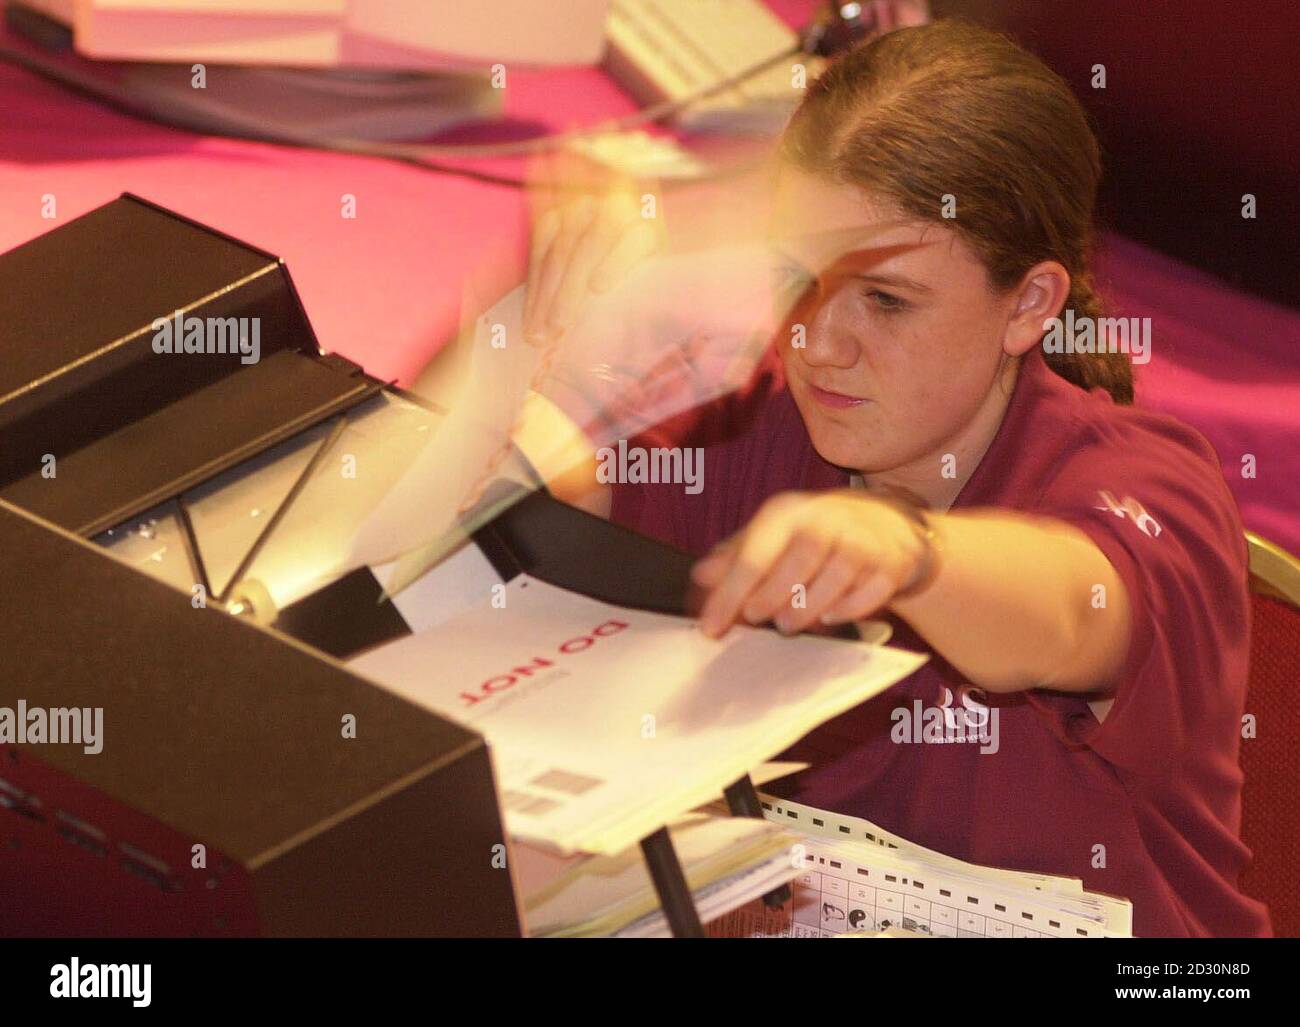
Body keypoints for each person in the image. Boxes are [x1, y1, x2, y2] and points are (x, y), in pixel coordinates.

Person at [516, 20, 1269, 937]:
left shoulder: (1151, 484)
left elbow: (1073, 608)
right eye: (796, 274)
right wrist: (549, 341)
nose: (818, 342)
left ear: (1030, 304)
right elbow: (512, 514)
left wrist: (910, 553)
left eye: (886, 299)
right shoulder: (751, 424)